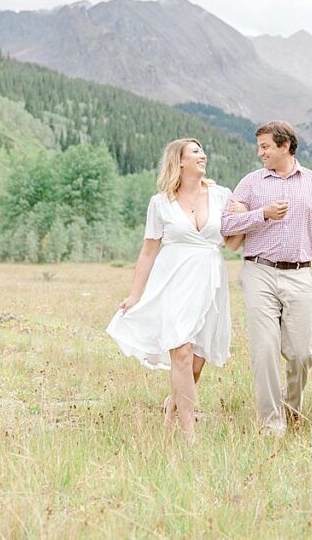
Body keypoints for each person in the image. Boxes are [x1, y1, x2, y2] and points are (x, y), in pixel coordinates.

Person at [106, 138, 244, 442]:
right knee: (181, 353)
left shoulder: (222, 196)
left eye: (203, 151)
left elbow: (233, 244)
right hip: (173, 281)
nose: (203, 155)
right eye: (195, 152)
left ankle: (172, 407)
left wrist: (247, 218)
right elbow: (148, 251)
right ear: (179, 161)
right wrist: (134, 295)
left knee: (195, 364)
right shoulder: (160, 203)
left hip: (210, 281)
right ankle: (188, 434)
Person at [221, 121, 312, 437]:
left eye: (265, 147)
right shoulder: (250, 183)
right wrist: (262, 214)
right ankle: (272, 424)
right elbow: (226, 226)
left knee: (301, 353)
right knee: (264, 351)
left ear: (285, 146)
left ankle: (291, 408)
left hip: (302, 275)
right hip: (258, 272)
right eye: (259, 147)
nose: (260, 153)